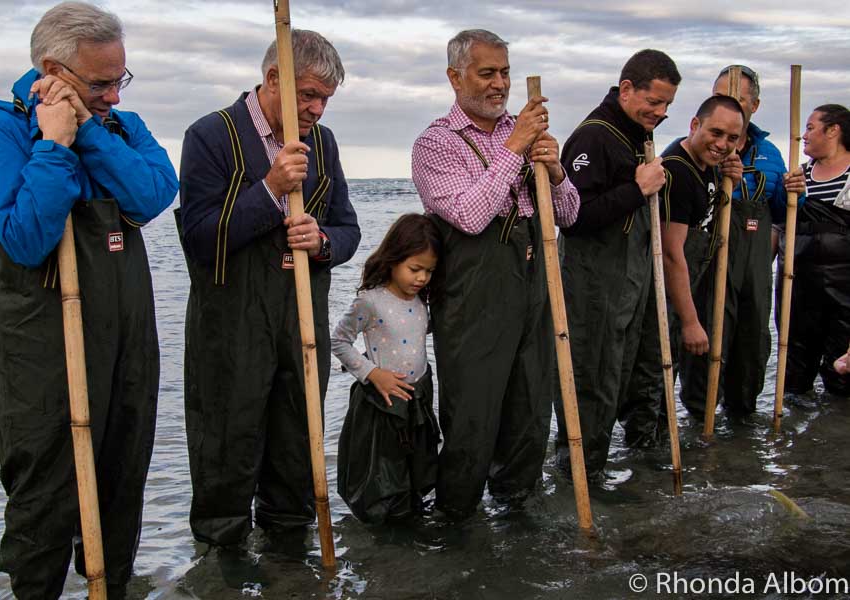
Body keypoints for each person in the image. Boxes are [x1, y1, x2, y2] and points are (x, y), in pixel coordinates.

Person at [0, 2, 178, 597]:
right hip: (40, 350)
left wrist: (86, 132)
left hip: (126, 341)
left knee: (120, 482)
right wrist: (53, 148)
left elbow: (152, 194)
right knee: (46, 492)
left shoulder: (121, 128)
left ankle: (111, 587)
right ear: (54, 68)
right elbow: (27, 238)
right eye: (100, 81)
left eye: (119, 79)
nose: (113, 93)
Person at [178, 29, 360, 546]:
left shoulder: (323, 142)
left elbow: (348, 229)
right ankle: (224, 567)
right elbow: (198, 237)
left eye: (326, 98)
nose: (318, 110)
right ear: (273, 77)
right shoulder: (210, 135)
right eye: (308, 95)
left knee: (296, 450)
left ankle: (291, 564)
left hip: (302, 318)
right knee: (227, 448)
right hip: (230, 319)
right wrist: (270, 191)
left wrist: (322, 239)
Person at [411, 29, 580, 517]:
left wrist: (556, 171)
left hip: (533, 292)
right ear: (455, 77)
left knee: (530, 411)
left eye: (504, 72)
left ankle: (518, 511)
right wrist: (514, 148)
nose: (499, 84)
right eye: (487, 73)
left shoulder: (532, 137)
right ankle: (457, 524)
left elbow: (568, 215)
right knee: (472, 419)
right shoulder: (436, 143)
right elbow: (468, 214)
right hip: (473, 299)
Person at [555, 49, 679, 477]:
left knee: (615, 384)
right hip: (592, 288)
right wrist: (637, 188)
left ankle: (601, 473)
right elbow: (573, 218)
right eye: (654, 102)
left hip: (626, 285)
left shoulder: (634, 132)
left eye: (667, 106)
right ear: (626, 89)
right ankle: (577, 480)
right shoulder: (594, 137)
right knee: (590, 385)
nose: (661, 113)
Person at [678, 65, 805, 417]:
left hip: (754, 270)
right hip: (711, 268)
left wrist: (796, 193)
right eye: (721, 96)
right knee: (707, 348)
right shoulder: (699, 150)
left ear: (756, 105)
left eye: (739, 99)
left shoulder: (771, 154)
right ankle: (700, 426)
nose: (731, 105)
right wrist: (720, 178)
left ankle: (744, 435)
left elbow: (782, 211)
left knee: (751, 349)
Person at [332, 214, 441, 524]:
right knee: (382, 469)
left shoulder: (422, 300)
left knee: (415, 463)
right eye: (415, 269)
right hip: (383, 402)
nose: (421, 278)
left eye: (429, 271)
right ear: (393, 260)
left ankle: (412, 514)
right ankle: (383, 525)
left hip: (416, 396)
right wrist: (372, 373)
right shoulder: (371, 302)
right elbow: (338, 341)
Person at [658, 97, 744, 380]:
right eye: (715, 133)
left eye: (732, 138)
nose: (722, 144)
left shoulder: (709, 164)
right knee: (656, 377)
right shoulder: (677, 171)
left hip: (689, 285)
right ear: (695, 125)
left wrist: (731, 179)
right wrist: (691, 321)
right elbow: (671, 253)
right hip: (663, 297)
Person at [780, 104, 850, 396]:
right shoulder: (798, 177)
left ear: (833, 130)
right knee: (794, 381)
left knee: (841, 380)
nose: (803, 136)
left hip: (844, 298)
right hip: (799, 295)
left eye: (810, 127)